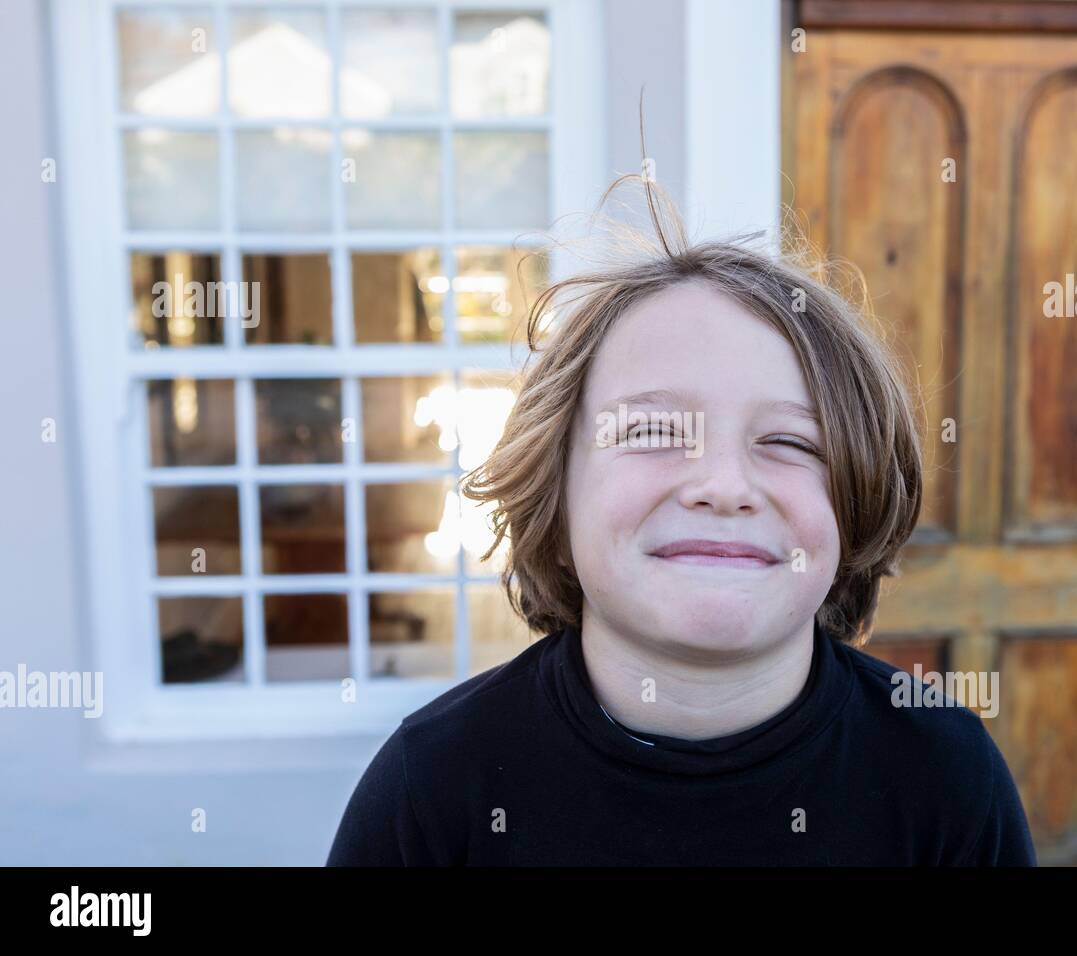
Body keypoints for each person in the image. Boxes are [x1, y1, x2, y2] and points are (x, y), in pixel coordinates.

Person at [326, 172, 1036, 866]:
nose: (724, 487)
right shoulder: (434, 787)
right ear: (555, 498)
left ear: (857, 505)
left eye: (790, 442)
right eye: (654, 432)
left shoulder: (944, 777)